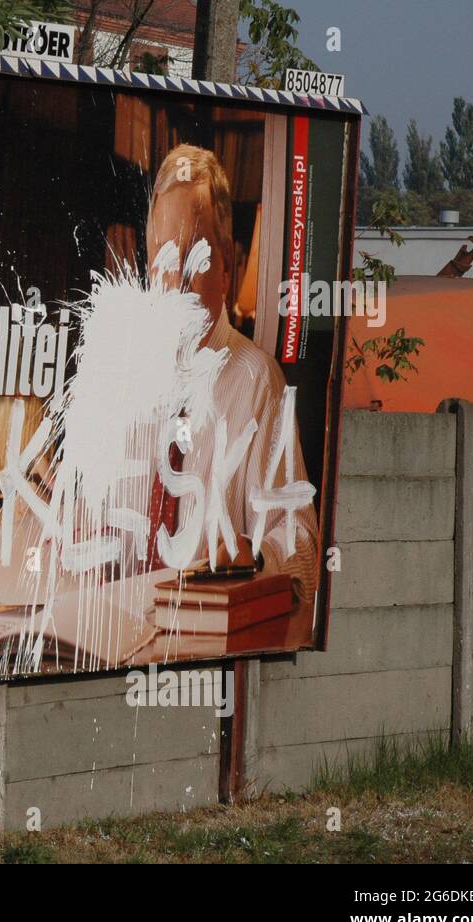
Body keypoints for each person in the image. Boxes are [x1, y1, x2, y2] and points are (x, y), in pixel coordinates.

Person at [143, 143, 318, 599]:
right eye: (162, 257)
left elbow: (301, 539)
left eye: (194, 257)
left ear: (228, 267)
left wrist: (255, 554)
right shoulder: (119, 379)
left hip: (203, 650)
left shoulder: (259, 381)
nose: (175, 277)